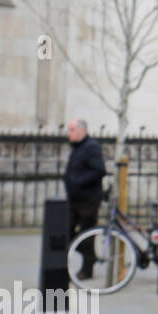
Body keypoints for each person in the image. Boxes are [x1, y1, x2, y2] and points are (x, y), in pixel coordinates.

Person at [63, 118, 106, 280]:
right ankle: (89, 258)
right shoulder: (78, 148)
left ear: (82, 131)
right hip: (74, 199)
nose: (69, 133)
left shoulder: (91, 147)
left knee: (86, 235)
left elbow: (99, 170)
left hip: (88, 200)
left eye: (72, 130)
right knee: (67, 233)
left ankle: (87, 269)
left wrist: (78, 182)